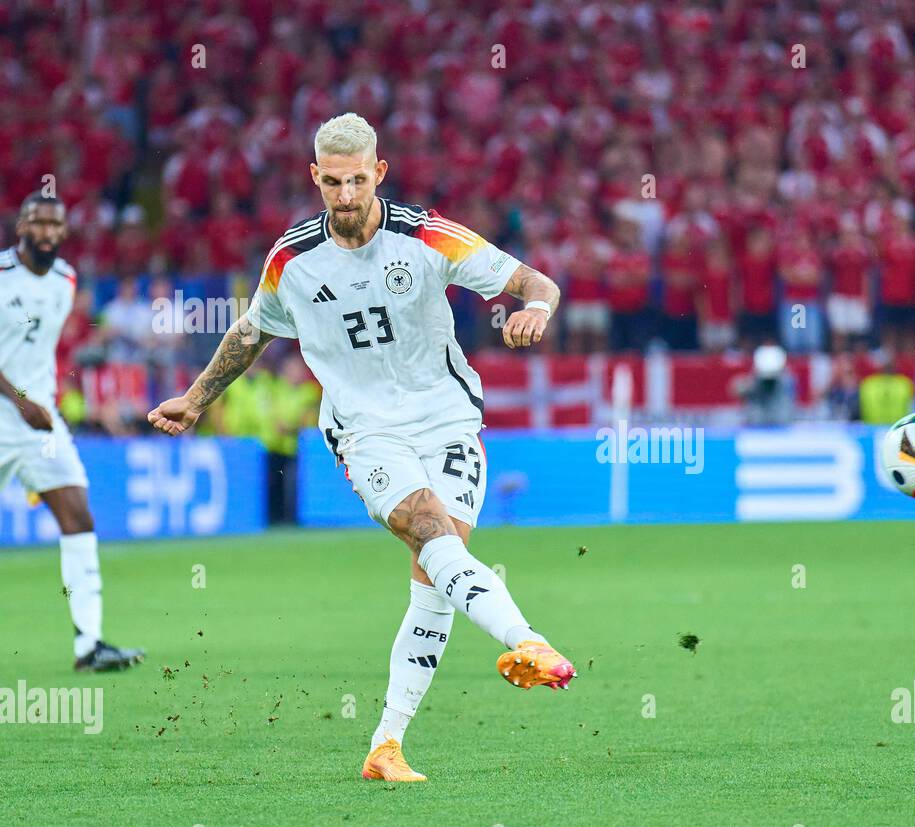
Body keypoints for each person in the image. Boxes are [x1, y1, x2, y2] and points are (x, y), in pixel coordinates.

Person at [148, 113, 574, 783]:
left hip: (449, 422)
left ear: (379, 173)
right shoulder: (290, 259)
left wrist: (536, 312)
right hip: (365, 430)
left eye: (357, 181)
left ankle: (386, 745)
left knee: (437, 579)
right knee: (428, 528)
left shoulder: (428, 235)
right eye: (332, 183)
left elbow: (535, 283)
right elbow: (252, 332)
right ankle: (527, 641)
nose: (345, 197)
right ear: (314, 178)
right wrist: (198, 397)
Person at [0, 192, 145, 671]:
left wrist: (40, 402)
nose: (46, 232)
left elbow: (36, 350)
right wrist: (22, 400)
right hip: (14, 412)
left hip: (40, 424)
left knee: (78, 515)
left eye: (55, 225)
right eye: (38, 222)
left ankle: (89, 646)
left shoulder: (65, 280)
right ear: (21, 225)